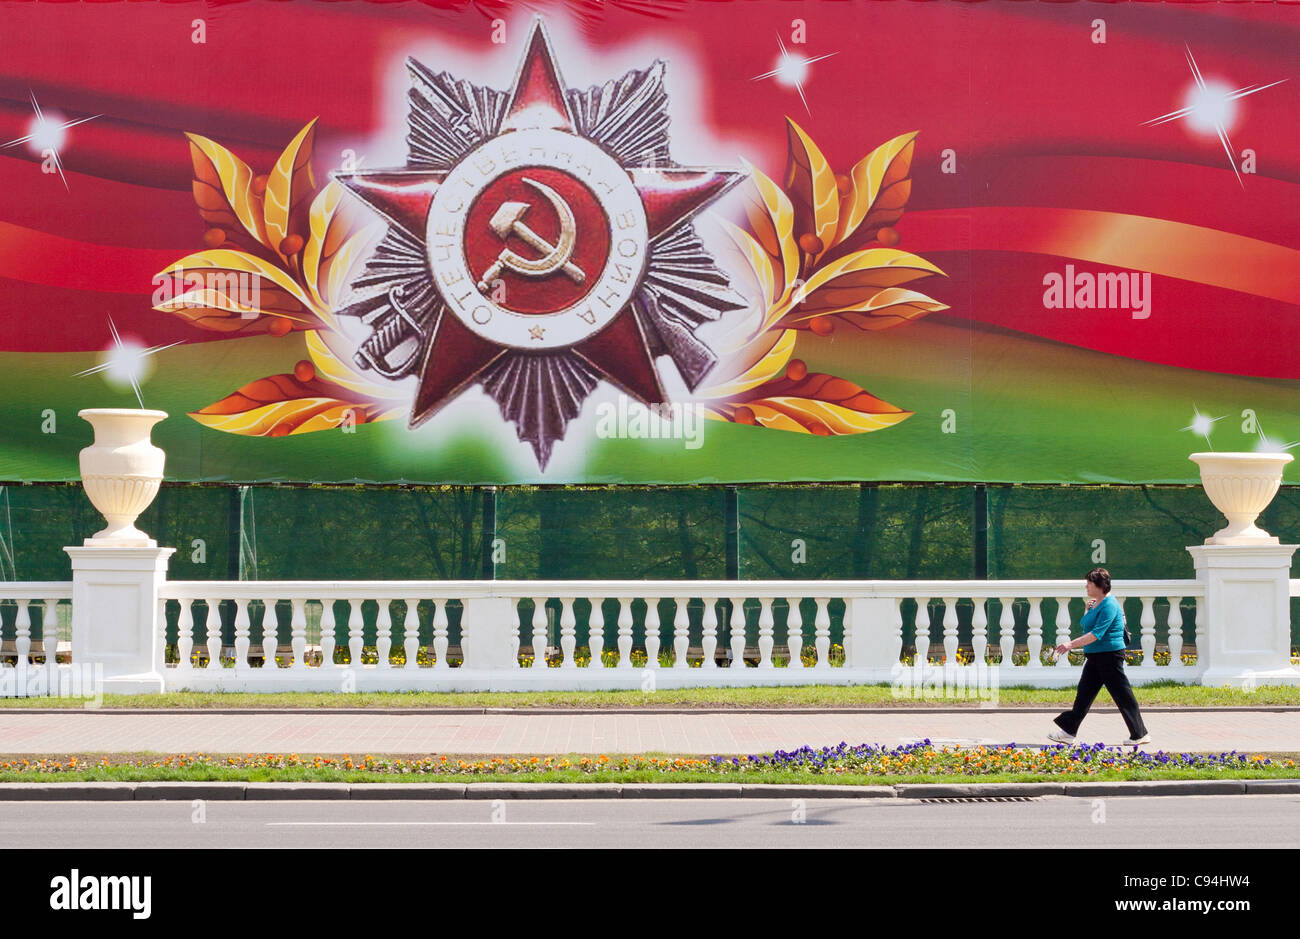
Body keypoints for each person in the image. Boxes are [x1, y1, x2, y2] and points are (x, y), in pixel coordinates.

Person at [1047, 568, 1151, 746]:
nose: (1086, 586)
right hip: (1096, 656)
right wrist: (1087, 610)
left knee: (1122, 695)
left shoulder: (1110, 605)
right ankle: (1068, 732)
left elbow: (1096, 634)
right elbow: (1086, 624)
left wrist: (1070, 644)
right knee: (1084, 694)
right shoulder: (1097, 603)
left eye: (1089, 583)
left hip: (1110, 656)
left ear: (1099, 585)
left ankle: (1140, 734)